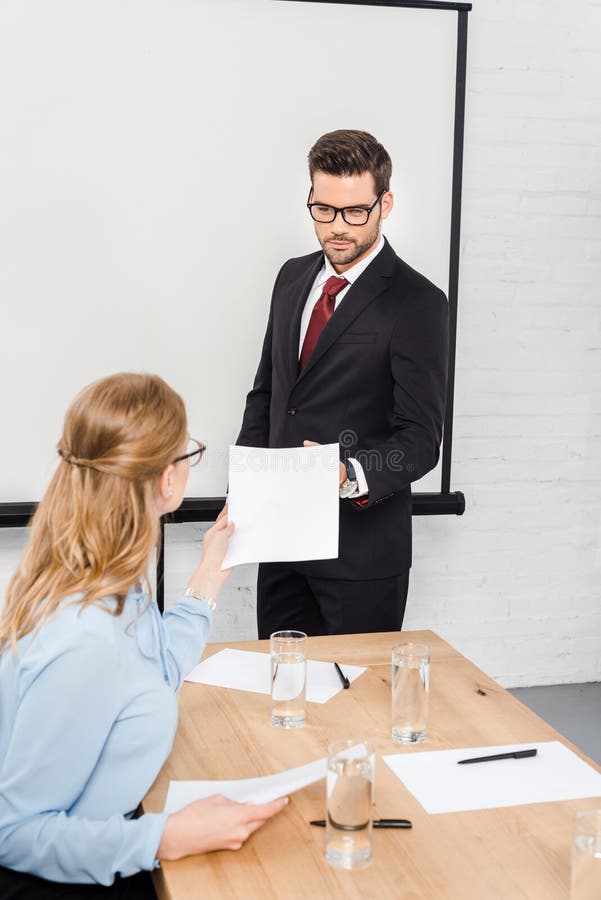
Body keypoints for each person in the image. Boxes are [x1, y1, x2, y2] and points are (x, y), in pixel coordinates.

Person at [0, 373, 287, 900]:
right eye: (189, 454)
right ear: (166, 481)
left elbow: (150, 674)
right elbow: (13, 833)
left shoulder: (109, 573)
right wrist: (167, 837)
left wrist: (209, 575)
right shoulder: (84, 637)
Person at [235, 129, 449, 639]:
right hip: (281, 543)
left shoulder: (418, 303)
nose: (337, 227)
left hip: (361, 555)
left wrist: (348, 473)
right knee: (281, 698)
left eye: (354, 212)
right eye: (323, 210)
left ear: (385, 203)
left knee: (356, 708)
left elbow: (421, 441)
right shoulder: (291, 277)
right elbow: (268, 393)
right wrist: (245, 489)